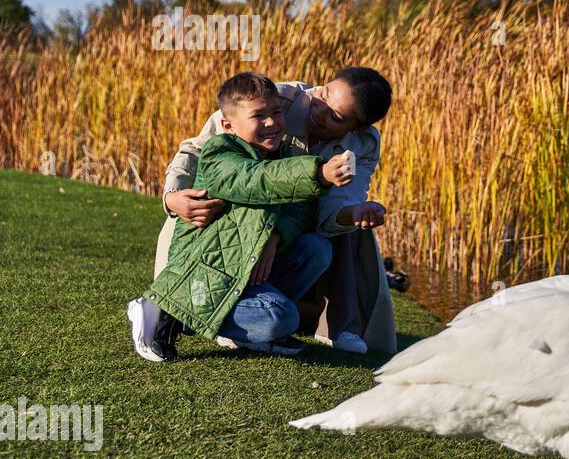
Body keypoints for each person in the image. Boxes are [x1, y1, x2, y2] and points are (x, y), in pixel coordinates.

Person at [156, 66, 397, 354]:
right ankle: (184, 310)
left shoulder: (364, 144)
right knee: (276, 310)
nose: (320, 110)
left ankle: (338, 326)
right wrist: (172, 198)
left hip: (293, 219)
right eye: (324, 93)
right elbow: (206, 155)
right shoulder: (269, 101)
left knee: (341, 233)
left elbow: (334, 206)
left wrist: (350, 214)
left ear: (356, 127)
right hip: (226, 216)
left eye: (335, 116)